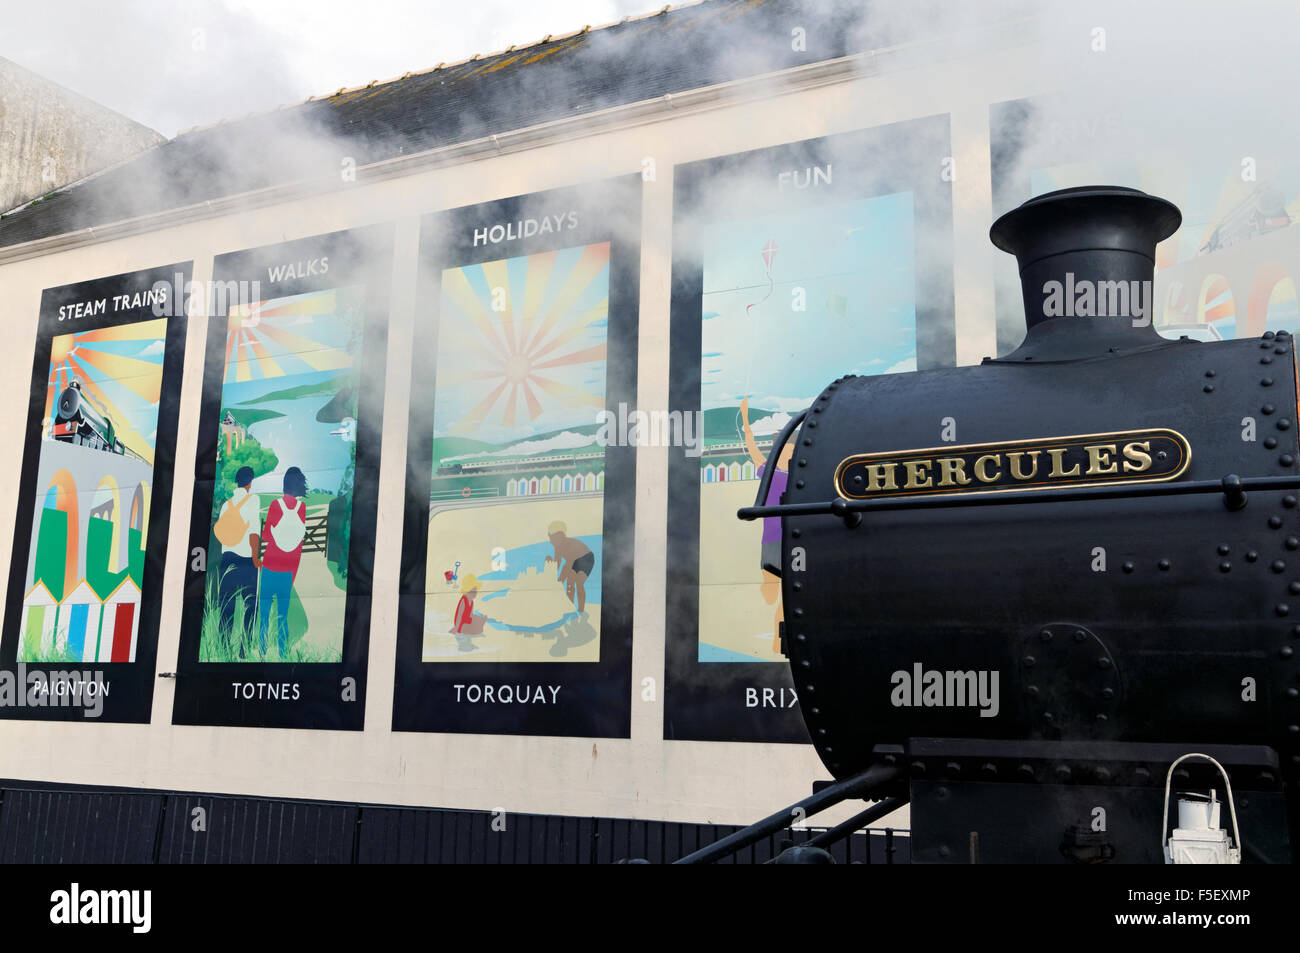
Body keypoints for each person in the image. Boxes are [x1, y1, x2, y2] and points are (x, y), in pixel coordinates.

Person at [741, 396, 794, 655]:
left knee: (783, 598)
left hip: (789, 542)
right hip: (769, 540)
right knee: (770, 593)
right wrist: (745, 420)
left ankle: (778, 641)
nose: (791, 454)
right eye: (787, 450)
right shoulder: (768, 471)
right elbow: (751, 445)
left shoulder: (799, 476)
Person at [258, 467, 308, 657]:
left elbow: (266, 535)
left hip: (270, 566)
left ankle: (262, 652)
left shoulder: (275, 505)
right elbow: (298, 547)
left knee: (264, 615)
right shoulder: (301, 508)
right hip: (288, 571)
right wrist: (293, 575)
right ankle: (283, 653)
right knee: (282, 617)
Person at [216, 466, 262, 639]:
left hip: (226, 559)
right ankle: (245, 648)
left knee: (226, 605)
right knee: (251, 604)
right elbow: (254, 532)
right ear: (250, 482)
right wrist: (255, 557)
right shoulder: (253, 500)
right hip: (246, 560)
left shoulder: (226, 506)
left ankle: (224, 646)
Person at [544, 520, 594, 614]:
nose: (550, 542)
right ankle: (570, 607)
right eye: (550, 538)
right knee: (570, 584)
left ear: (559, 536)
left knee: (578, 582)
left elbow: (568, 565)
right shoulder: (558, 548)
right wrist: (549, 564)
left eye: (552, 539)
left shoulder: (568, 544)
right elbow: (557, 564)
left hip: (586, 557)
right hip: (573, 562)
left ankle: (581, 610)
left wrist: (561, 579)